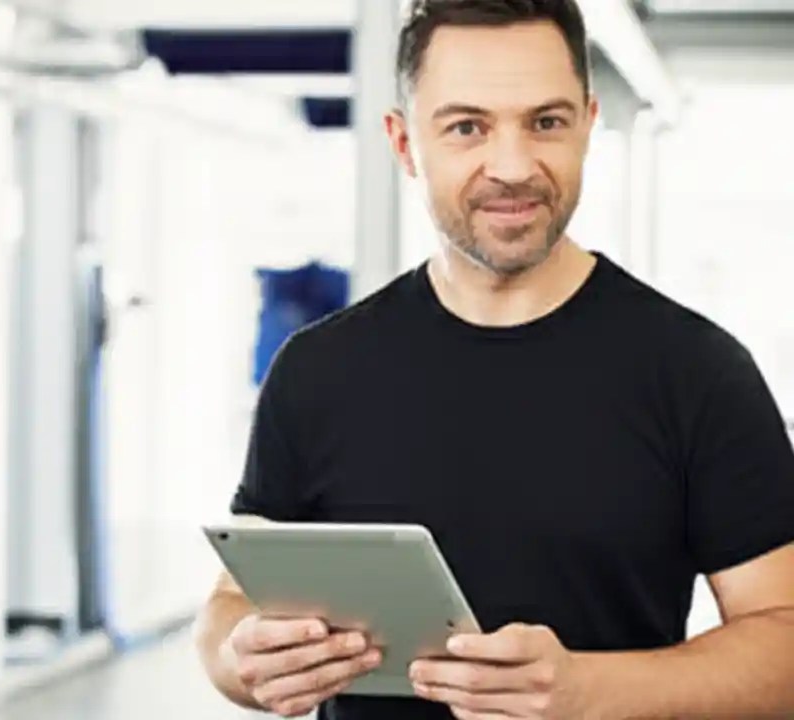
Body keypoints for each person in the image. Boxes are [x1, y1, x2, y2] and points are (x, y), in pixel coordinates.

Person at [193, 1, 794, 718]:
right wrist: (243, 655)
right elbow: (230, 606)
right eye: (467, 127)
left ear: (587, 124)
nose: (512, 167)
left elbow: (783, 644)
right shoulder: (317, 370)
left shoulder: (698, 373)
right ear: (405, 144)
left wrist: (583, 694)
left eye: (545, 122)